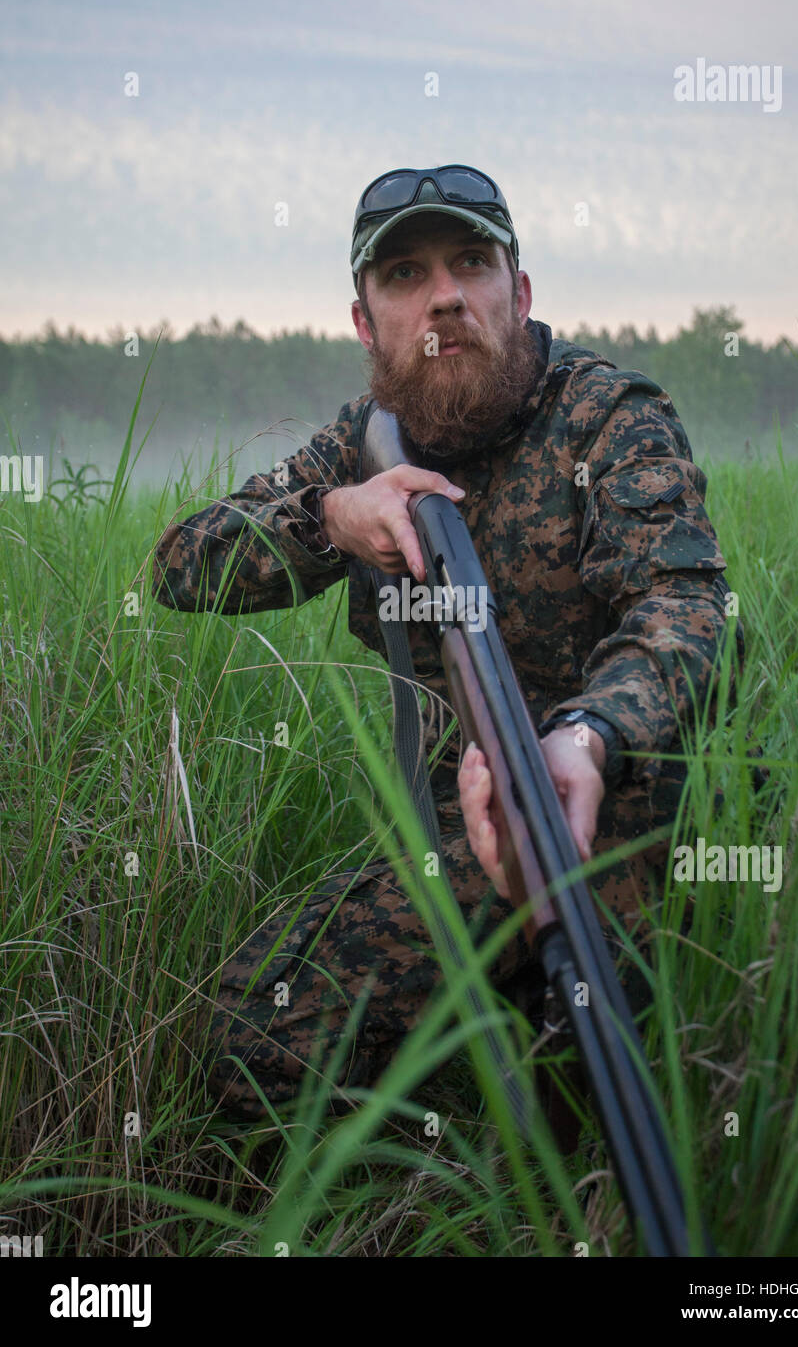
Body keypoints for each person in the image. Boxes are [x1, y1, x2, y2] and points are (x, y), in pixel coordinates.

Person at [152, 163, 744, 1124]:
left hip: (612, 809)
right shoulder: (360, 443)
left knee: (612, 1081)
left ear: (517, 292)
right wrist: (332, 518)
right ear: (364, 322)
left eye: (472, 262)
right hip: (452, 840)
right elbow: (178, 565)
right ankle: (424, 1144)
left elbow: (686, 609)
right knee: (249, 1046)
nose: (444, 297)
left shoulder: (607, 416)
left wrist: (588, 734)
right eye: (404, 275)